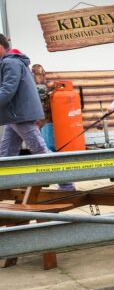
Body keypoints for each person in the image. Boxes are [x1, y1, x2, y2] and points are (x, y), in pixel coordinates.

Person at [0, 35, 74, 190]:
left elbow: (7, 90)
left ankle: (67, 185)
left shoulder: (10, 62)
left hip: (19, 115)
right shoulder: (12, 61)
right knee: (6, 154)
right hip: (14, 115)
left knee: (40, 151)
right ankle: (4, 187)